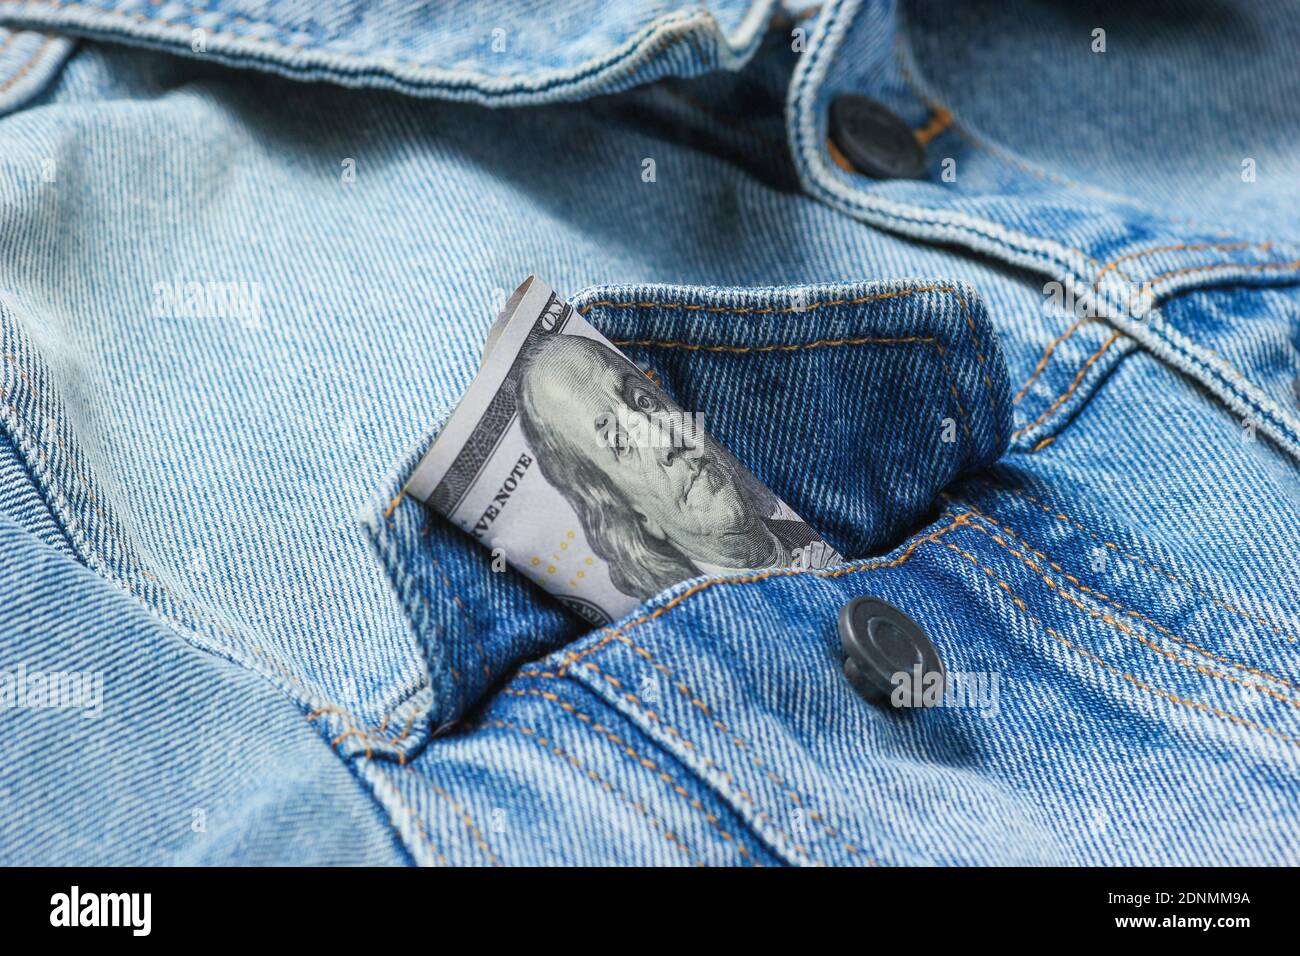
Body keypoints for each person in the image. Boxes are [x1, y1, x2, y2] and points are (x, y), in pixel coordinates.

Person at [515, 332, 841, 601]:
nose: (668, 441)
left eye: (645, 401)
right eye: (620, 443)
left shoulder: (813, 525)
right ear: (630, 512)